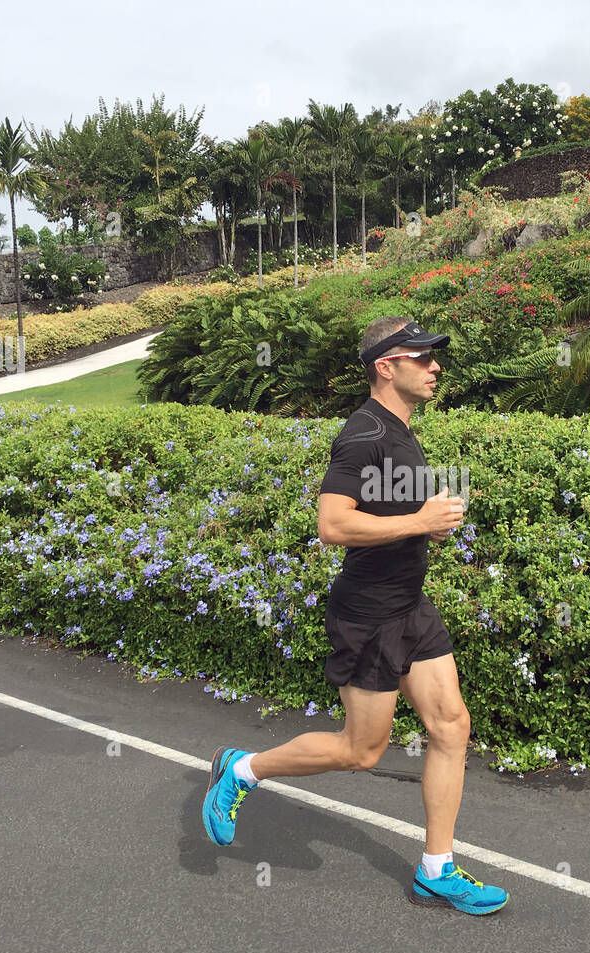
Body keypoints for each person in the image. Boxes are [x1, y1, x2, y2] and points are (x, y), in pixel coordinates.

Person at [202, 316, 509, 915]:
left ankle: (436, 870)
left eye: (434, 357)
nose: (435, 366)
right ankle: (244, 770)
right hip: (368, 616)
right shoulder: (363, 434)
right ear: (385, 366)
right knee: (361, 750)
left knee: (451, 727)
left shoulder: (401, 431)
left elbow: (383, 516)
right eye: (421, 357)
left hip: (410, 606)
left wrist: (425, 524)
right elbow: (333, 524)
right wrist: (419, 521)